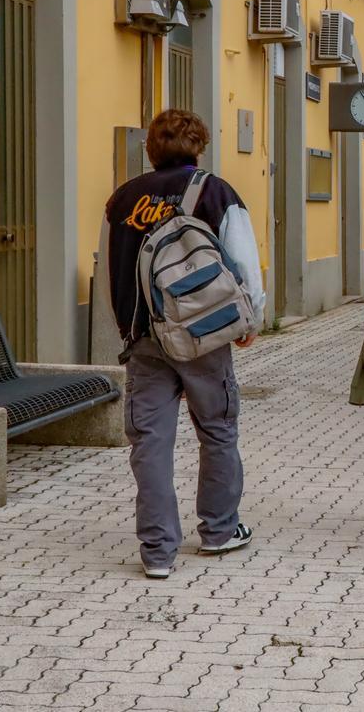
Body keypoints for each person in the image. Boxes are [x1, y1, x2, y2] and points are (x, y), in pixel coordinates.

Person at [99, 109, 265, 579]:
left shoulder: (122, 199)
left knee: (150, 442)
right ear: (199, 146)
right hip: (204, 336)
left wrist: (127, 328)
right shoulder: (216, 192)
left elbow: (110, 271)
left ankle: (157, 551)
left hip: (144, 339)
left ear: (150, 148)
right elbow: (244, 263)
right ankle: (218, 530)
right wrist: (251, 317)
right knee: (217, 430)